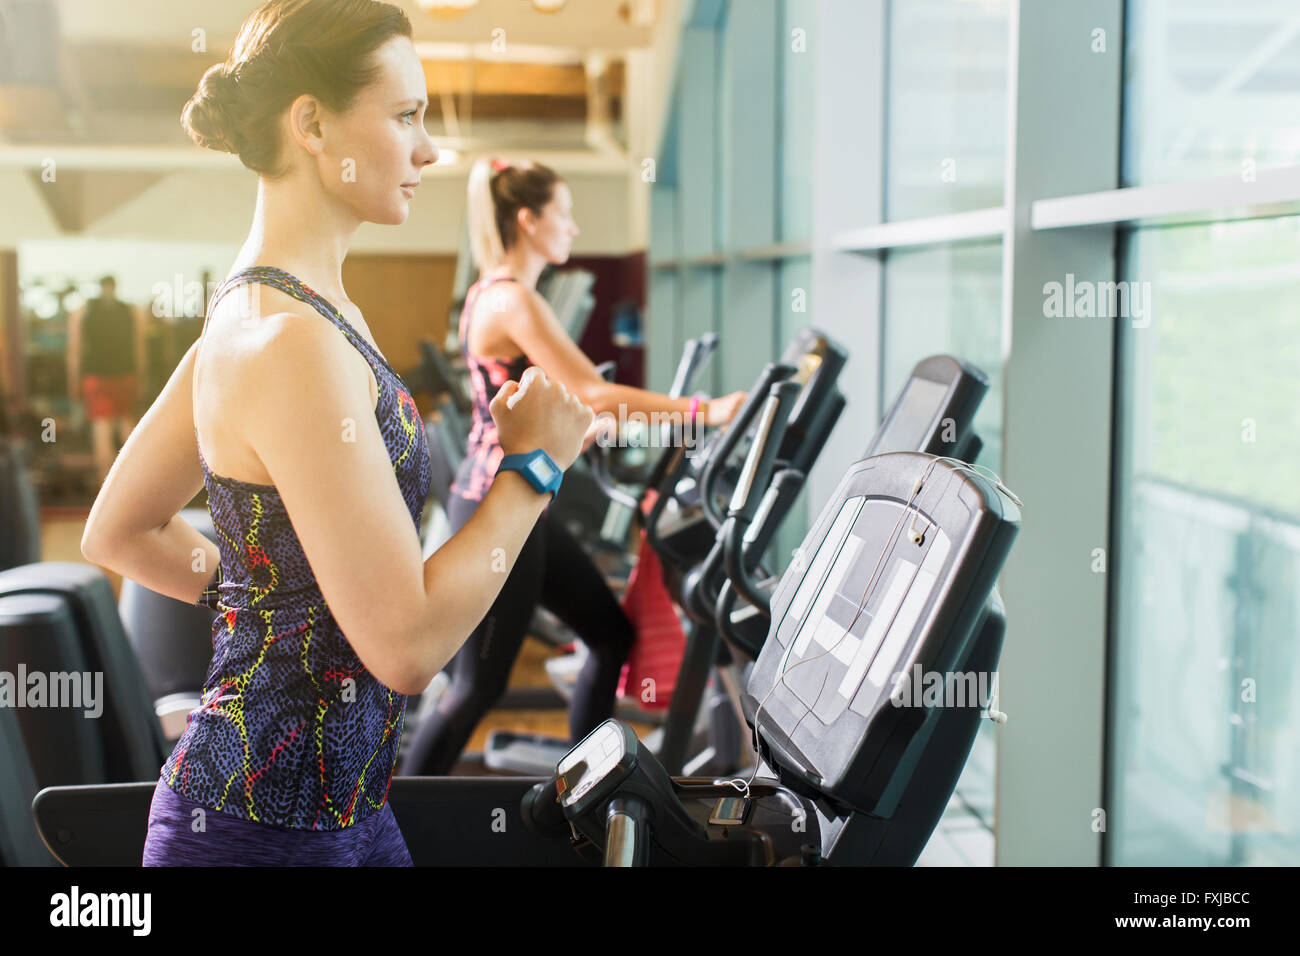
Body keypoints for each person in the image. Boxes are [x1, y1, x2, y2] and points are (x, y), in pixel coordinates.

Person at [78, 0, 593, 867]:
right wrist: (534, 469)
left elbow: (116, 530)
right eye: (406, 116)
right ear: (312, 124)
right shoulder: (289, 342)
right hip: (256, 833)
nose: (428, 151)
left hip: (348, 809)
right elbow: (407, 648)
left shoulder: (274, 313)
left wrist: (278, 607)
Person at [399, 157, 747, 776]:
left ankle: (582, 788)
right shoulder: (512, 299)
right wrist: (707, 410)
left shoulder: (493, 293)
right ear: (529, 221)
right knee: (478, 684)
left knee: (611, 635)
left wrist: (582, 430)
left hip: (518, 500)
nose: (574, 228)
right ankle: (397, 816)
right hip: (498, 506)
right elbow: (593, 390)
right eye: (564, 213)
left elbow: (543, 406)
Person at [67, 275, 145, 486]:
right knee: (127, 428)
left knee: (103, 430)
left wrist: (73, 381)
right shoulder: (130, 311)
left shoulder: (84, 312)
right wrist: (140, 377)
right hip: (123, 374)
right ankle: (132, 484)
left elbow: (75, 351)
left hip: (97, 377)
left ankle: (106, 488)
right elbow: (139, 349)